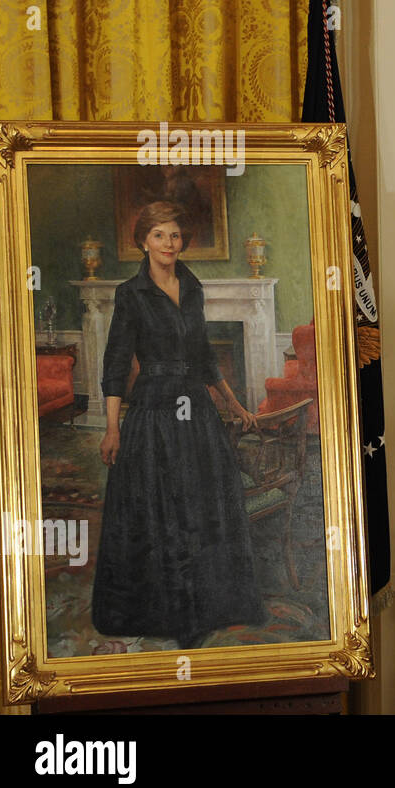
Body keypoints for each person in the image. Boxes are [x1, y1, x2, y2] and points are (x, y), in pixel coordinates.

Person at [94, 201, 264, 648]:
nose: (169, 243)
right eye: (159, 235)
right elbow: (115, 365)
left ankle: (212, 604)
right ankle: (166, 612)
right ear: (143, 242)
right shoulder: (130, 295)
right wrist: (112, 428)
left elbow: (205, 356)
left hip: (197, 412)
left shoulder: (192, 286)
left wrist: (234, 404)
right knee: (161, 508)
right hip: (152, 411)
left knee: (202, 502)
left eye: (174, 235)